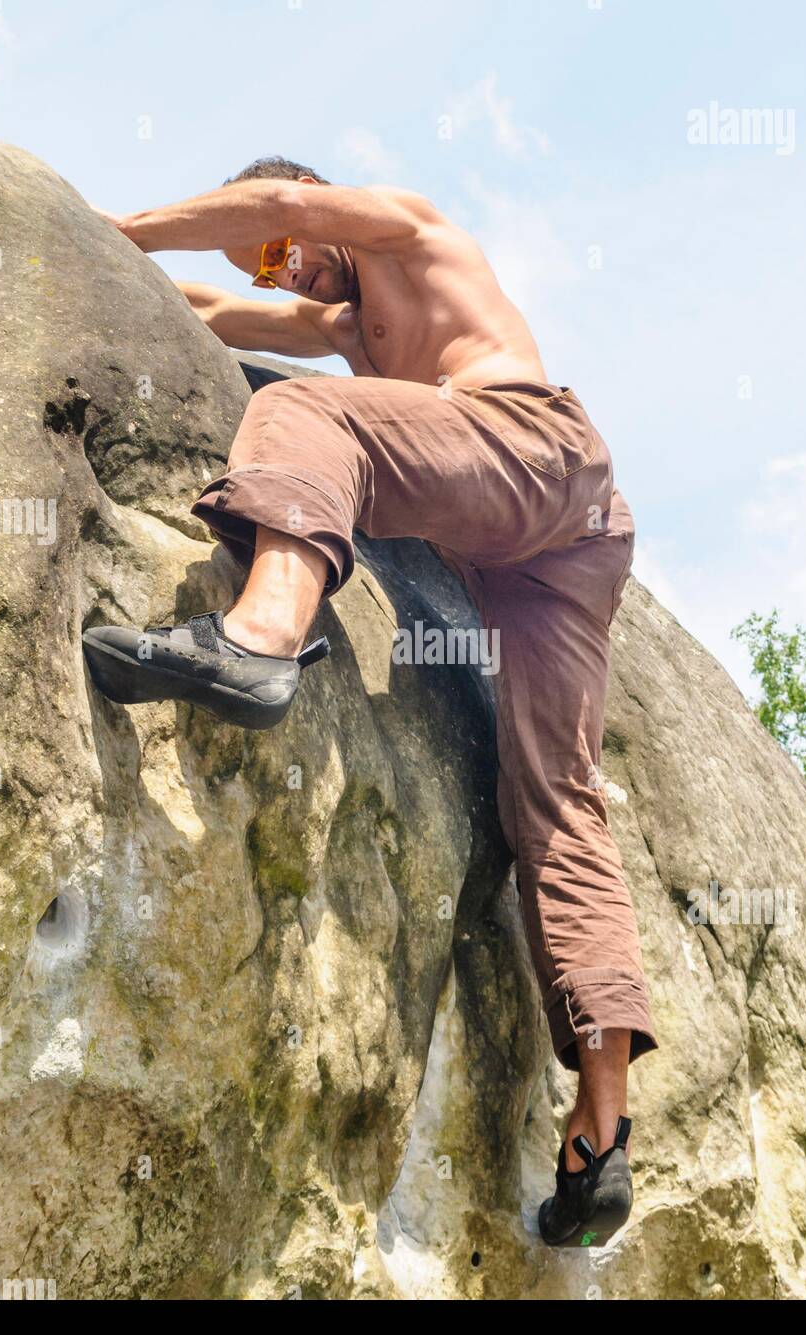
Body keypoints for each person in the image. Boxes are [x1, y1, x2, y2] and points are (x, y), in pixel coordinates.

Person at [83, 157, 656, 1246]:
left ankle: (260, 634)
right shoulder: (348, 324)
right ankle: (601, 1130)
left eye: (285, 251)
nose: (283, 268)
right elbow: (207, 306)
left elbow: (283, 210)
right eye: (270, 263)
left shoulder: (410, 230)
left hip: (535, 447)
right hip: (559, 551)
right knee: (556, 803)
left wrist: (128, 221)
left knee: (309, 416)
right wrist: (81, 244)